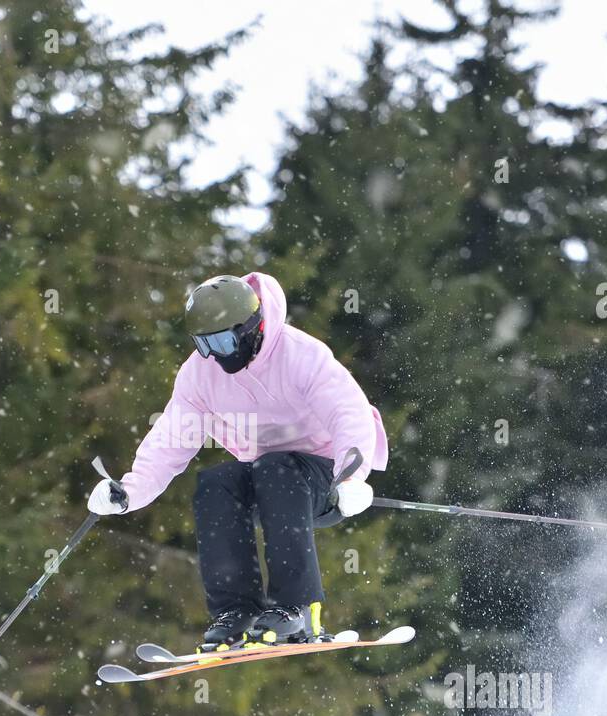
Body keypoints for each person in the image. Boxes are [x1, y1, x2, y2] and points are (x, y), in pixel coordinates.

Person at [87, 272, 388, 652]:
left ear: (251, 328)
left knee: (276, 468)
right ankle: (237, 613)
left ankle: (294, 608)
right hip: (270, 482)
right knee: (217, 483)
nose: (214, 354)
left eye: (223, 341)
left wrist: (352, 476)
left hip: (326, 476)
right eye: (203, 344)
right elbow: (170, 440)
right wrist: (128, 491)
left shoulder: (300, 355)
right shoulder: (200, 375)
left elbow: (349, 413)